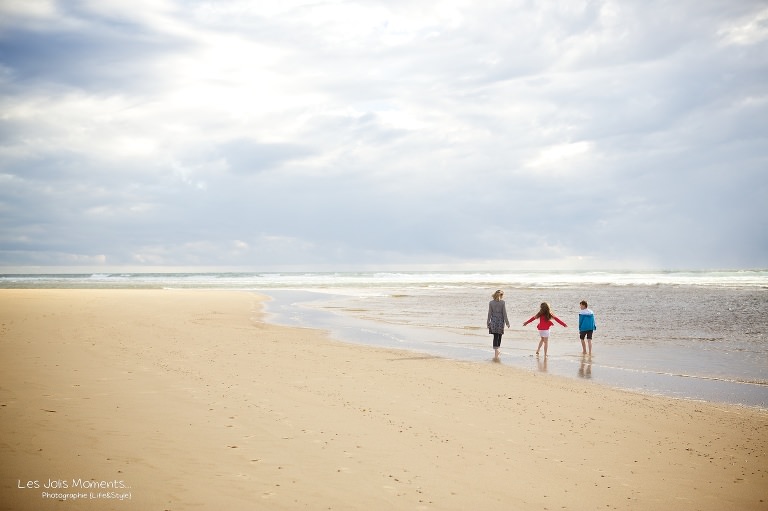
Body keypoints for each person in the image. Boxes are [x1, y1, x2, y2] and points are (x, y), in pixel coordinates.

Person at [487, 290, 510, 359]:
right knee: (499, 335)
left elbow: (489, 313)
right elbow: (504, 313)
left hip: (493, 320)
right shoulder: (502, 302)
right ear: (501, 295)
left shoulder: (491, 302)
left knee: (495, 336)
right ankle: (497, 350)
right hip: (500, 321)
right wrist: (507, 323)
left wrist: (488, 322)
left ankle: (496, 351)